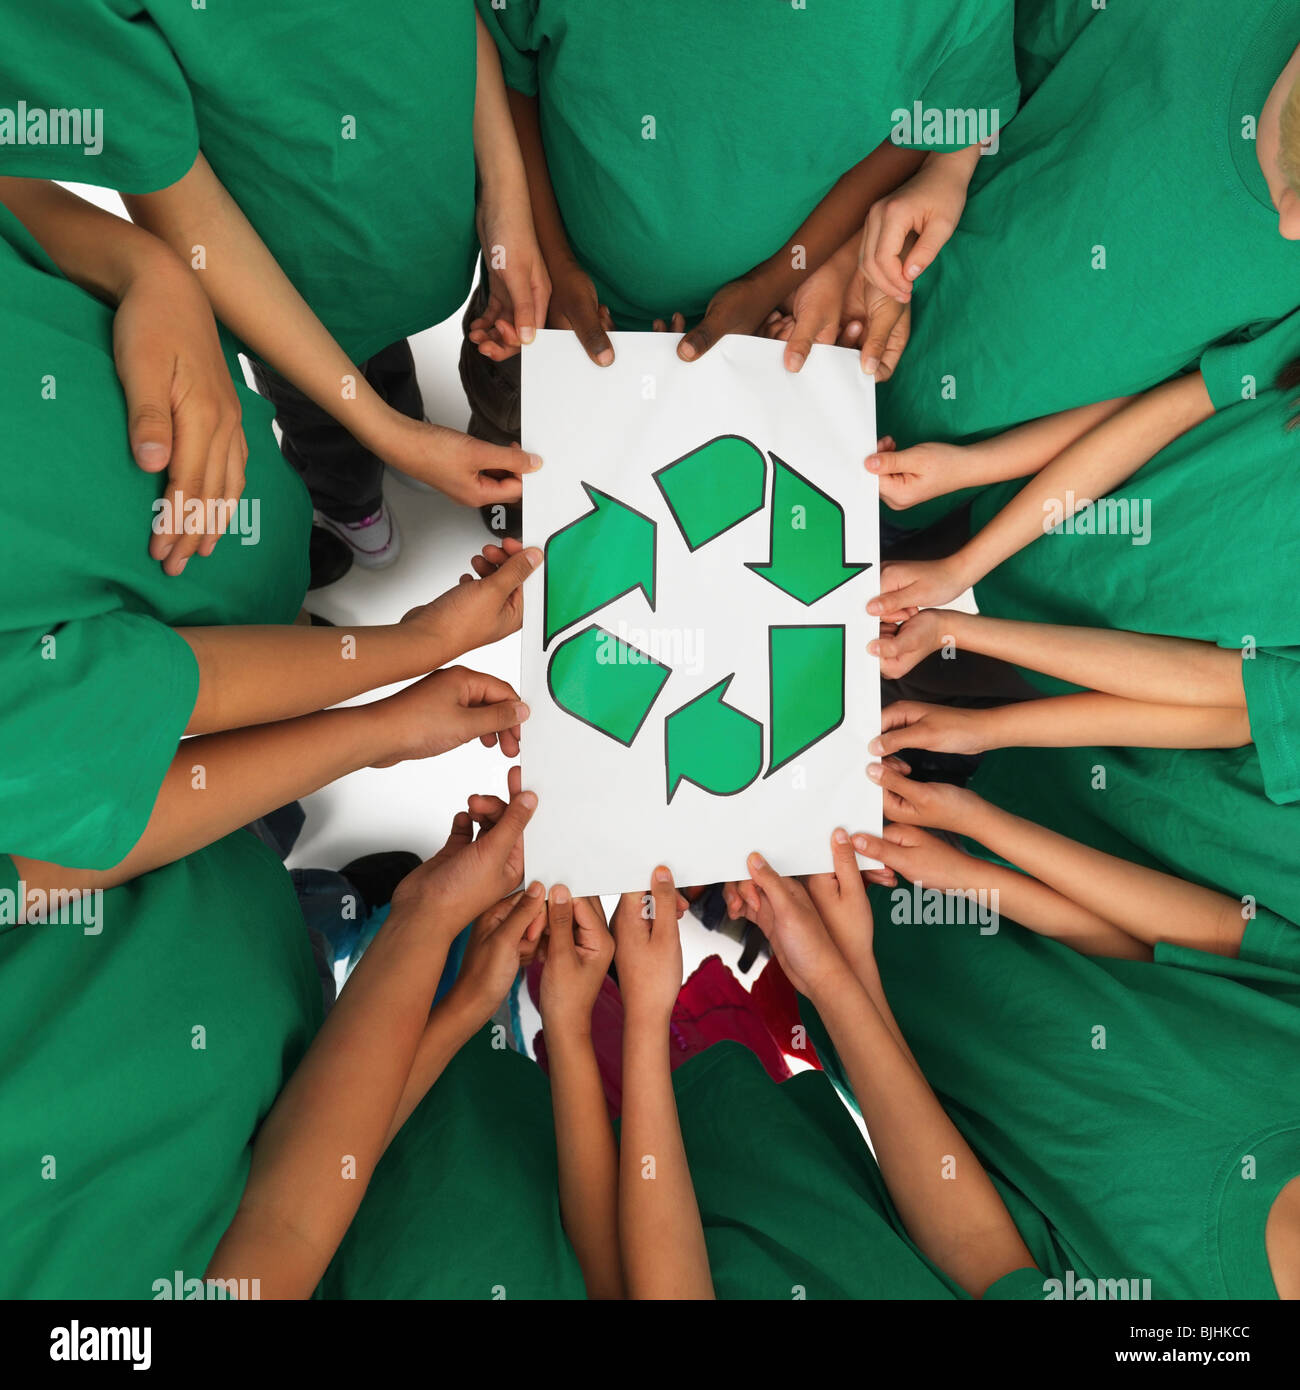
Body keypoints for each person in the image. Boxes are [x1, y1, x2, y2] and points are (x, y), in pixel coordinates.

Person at [0, 3, 544, 573]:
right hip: (289, 294)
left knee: (387, 364)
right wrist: (388, 437)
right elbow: (169, 188)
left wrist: (506, 200)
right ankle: (347, 503)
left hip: (412, 257)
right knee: (325, 429)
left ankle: (401, 425)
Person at [773, 0, 1300, 535]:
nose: (1291, 228)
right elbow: (985, 65)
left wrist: (967, 468)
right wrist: (852, 250)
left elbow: (1155, 404)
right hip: (821, 315)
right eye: (1292, 166)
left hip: (926, 476)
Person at [461, 0, 1020, 502]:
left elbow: (924, 124)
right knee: (521, 483)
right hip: (542, 317)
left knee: (709, 527)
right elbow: (509, 69)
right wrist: (554, 266)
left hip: (774, 336)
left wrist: (772, 284)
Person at [614, 853, 1045, 1300]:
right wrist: (837, 971)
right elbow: (978, 1250)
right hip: (777, 1143)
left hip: (649, 1177)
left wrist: (632, 1021)